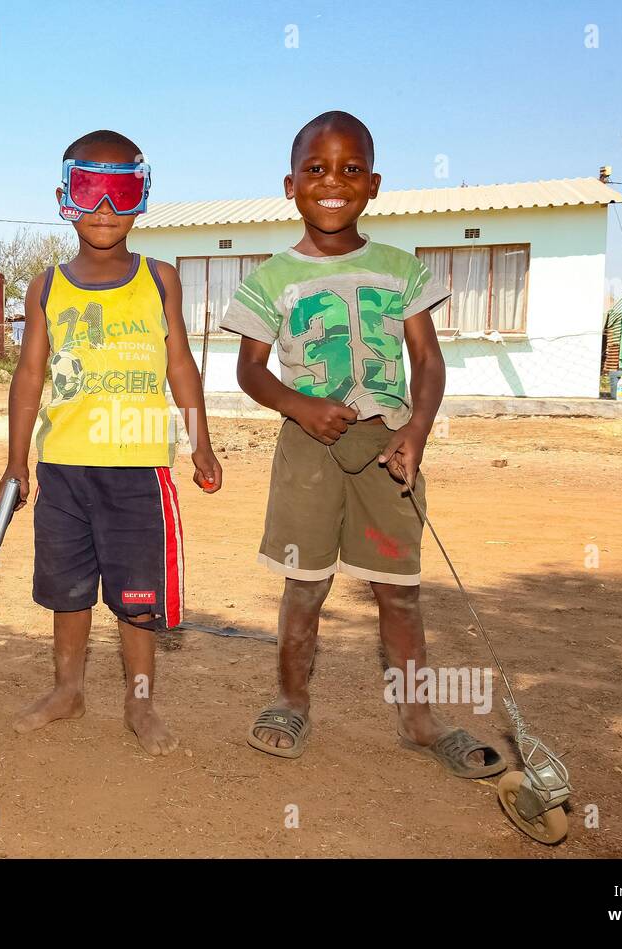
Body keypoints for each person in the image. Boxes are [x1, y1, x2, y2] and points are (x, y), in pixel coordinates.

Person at [221, 111, 505, 776]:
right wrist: (299, 405)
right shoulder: (270, 278)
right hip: (308, 449)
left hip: (387, 449)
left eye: (351, 170)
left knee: (399, 589)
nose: (333, 182)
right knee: (305, 585)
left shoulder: (400, 269)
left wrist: (417, 431)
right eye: (316, 169)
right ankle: (291, 699)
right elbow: (250, 370)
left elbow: (429, 362)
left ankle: (420, 718)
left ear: (373, 184)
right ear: (290, 184)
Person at [1, 130, 221, 756]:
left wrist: (200, 439)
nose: (103, 208)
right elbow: (29, 375)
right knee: (66, 588)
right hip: (64, 468)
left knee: (137, 594)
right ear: (64, 197)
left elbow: (180, 362)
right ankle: (67, 690)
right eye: (88, 190)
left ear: (141, 196)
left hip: (138, 467)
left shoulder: (161, 279)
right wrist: (17, 462)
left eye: (120, 191)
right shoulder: (45, 286)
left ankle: (140, 701)